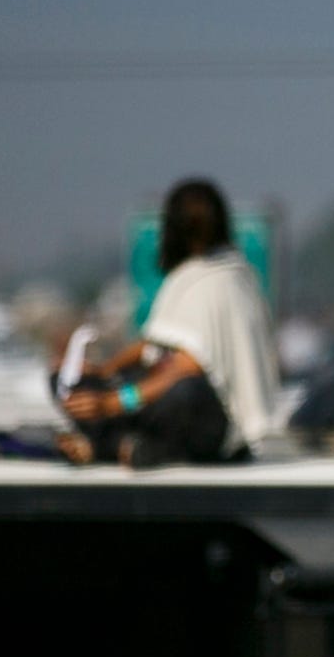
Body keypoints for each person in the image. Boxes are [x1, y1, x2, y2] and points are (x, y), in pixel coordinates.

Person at [57, 179, 281, 467]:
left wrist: (113, 402)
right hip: (171, 398)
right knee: (69, 381)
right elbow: (155, 344)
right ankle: (126, 446)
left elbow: (189, 365)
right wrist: (104, 372)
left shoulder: (223, 278)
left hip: (214, 423)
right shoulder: (219, 275)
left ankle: (106, 445)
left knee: (185, 394)